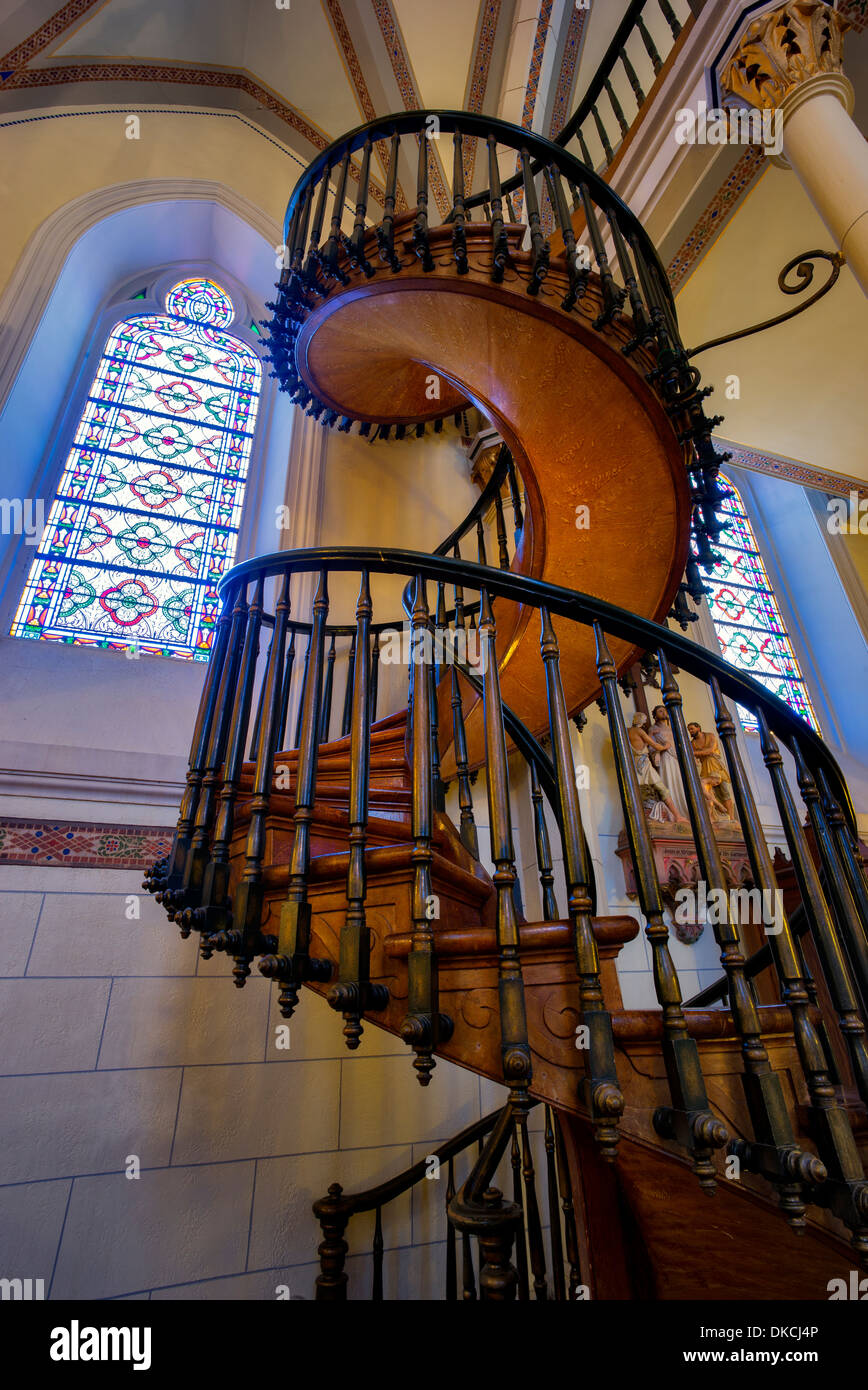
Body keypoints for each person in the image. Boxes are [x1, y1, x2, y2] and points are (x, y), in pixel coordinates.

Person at [628, 712, 689, 824]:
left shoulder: (628, 731)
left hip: (635, 764)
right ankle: (678, 816)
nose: (645, 722)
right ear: (641, 721)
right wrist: (667, 745)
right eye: (644, 720)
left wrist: (650, 734)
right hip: (644, 764)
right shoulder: (640, 731)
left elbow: (641, 745)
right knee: (662, 788)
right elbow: (656, 746)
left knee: (638, 790)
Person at [648, 705, 690, 821]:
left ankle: (685, 811)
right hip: (665, 757)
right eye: (660, 711)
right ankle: (674, 812)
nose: (663, 713)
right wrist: (663, 747)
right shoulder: (653, 729)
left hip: (677, 758)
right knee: (669, 781)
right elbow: (651, 747)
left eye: (664, 710)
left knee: (680, 782)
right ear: (655, 716)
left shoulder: (673, 728)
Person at [687, 721, 736, 820]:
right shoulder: (692, 743)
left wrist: (695, 753)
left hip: (715, 765)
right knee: (709, 792)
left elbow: (710, 750)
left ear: (698, 728)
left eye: (692, 729)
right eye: (689, 730)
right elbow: (695, 758)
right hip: (705, 767)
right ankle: (716, 817)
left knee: (724, 792)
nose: (690, 731)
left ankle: (731, 818)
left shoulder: (710, 736)